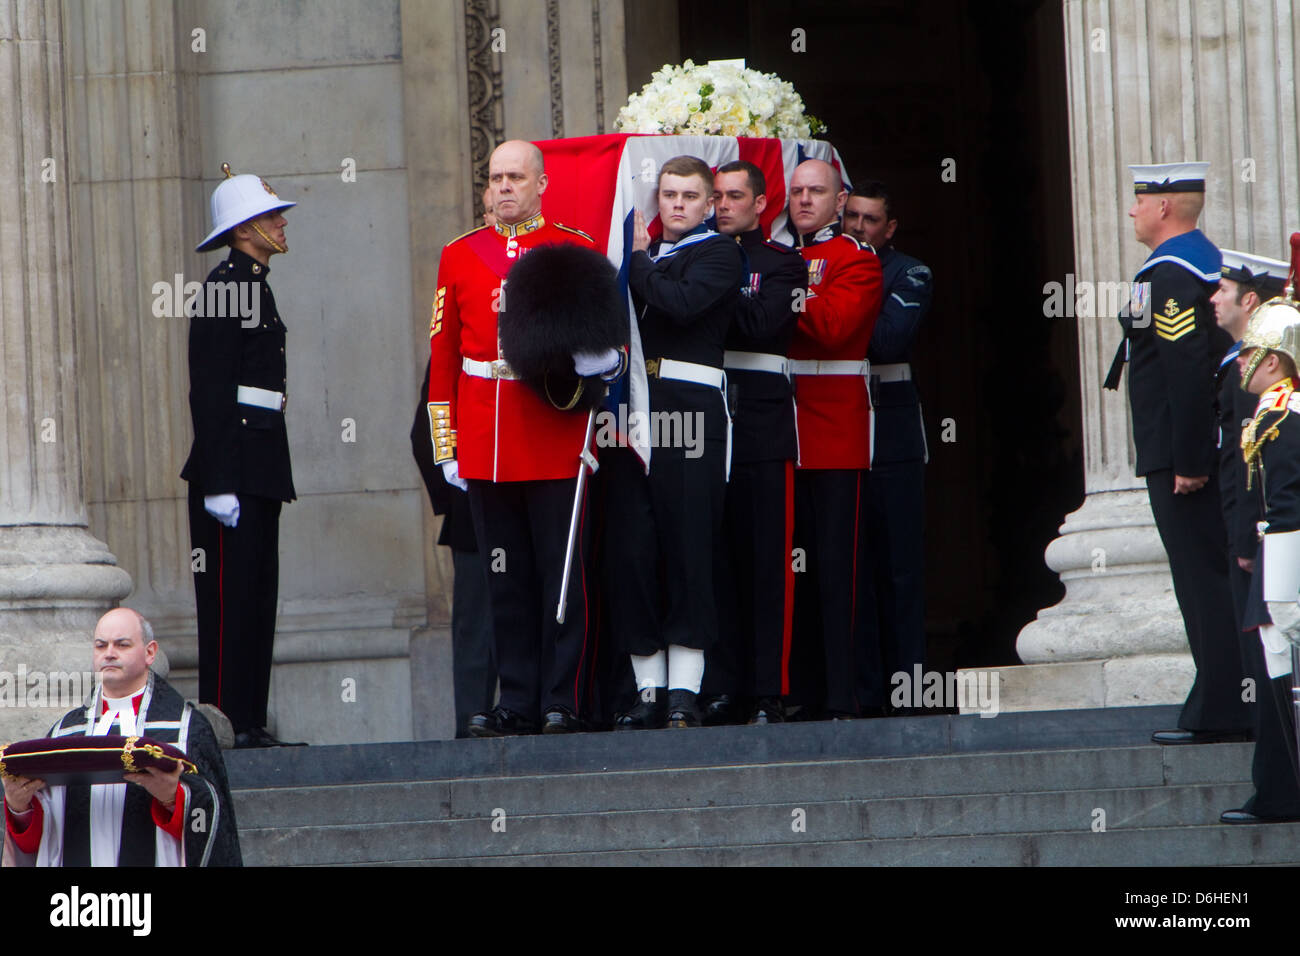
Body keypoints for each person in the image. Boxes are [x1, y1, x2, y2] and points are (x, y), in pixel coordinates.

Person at [428, 140, 623, 736]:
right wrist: (446, 444)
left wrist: (597, 361)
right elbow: (443, 358)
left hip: (552, 430)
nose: (505, 187)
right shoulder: (459, 254)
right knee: (503, 581)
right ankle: (514, 699)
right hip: (486, 440)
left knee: (561, 578)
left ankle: (562, 698)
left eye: (516, 177)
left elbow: (609, 351)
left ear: (541, 184)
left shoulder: (573, 249)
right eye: (496, 177)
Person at [1103, 162, 1252, 744]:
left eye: (1140, 201)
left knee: (1202, 577)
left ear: (1164, 207)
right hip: (1189, 448)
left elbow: (1186, 370)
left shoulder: (1169, 273)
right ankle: (1226, 698)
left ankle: (1225, 706)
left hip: (1181, 454)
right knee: (1211, 574)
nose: (1133, 210)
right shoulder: (1201, 262)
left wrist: (1189, 461)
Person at [606, 154, 745, 729]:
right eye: (669, 195)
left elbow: (679, 303)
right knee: (634, 548)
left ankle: (685, 688)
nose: (679, 205)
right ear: (656, 200)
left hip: (690, 410)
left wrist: (636, 260)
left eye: (690, 196)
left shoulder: (720, 253)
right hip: (637, 410)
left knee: (689, 546)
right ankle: (647, 688)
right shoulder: (643, 259)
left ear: (711, 203)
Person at [182, 164, 303, 750]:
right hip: (230, 467)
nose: (281, 223)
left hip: (259, 462)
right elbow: (209, 389)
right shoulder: (227, 285)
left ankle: (251, 721)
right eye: (272, 216)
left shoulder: (256, 283)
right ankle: (227, 725)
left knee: (257, 594)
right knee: (230, 601)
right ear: (245, 228)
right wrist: (219, 477)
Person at [2, 608, 242, 866]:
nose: (109, 653)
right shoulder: (65, 732)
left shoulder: (187, 728)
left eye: (122, 644)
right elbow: (41, 838)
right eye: (100, 645)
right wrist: (19, 807)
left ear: (150, 652)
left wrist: (174, 799)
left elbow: (212, 826)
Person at [700, 160, 807, 725]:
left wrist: (709, 290)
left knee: (769, 563)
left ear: (761, 204)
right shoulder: (695, 255)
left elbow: (765, 324)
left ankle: (770, 688)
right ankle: (721, 687)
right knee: (713, 560)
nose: (722, 205)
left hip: (762, 424)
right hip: (707, 424)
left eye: (734, 196)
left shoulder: (784, 264)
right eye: (715, 195)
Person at [784, 159, 883, 719]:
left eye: (815, 191)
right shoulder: (784, 258)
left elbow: (833, 328)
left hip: (835, 426)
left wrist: (775, 294)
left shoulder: (855, 258)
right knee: (789, 567)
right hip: (784, 424)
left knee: (836, 569)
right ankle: (797, 691)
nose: (803, 201)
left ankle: (843, 694)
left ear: (840, 199)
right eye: (796, 191)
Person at [842, 181, 933, 714]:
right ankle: (862, 694)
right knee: (850, 565)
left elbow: (886, 341)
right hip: (837, 422)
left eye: (870, 220)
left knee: (899, 568)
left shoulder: (910, 271)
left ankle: (911, 693)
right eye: (851, 216)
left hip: (893, 430)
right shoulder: (820, 261)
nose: (858, 227)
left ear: (889, 228)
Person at [1224, 273, 1300, 823]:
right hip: (1278, 559)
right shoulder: (1275, 412)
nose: (1242, 360)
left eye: (1252, 351)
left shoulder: (1281, 417)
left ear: (1274, 360)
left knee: (1285, 680)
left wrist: (1279, 591)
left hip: (1287, 567)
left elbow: (1288, 506)